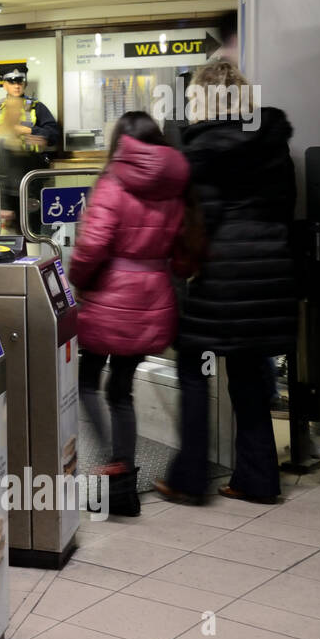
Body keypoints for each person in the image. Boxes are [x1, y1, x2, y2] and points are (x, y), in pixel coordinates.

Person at [157, 59, 296, 506]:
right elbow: (285, 210)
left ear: (202, 99)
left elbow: (199, 222)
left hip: (220, 272)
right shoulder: (275, 147)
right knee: (250, 374)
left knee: (193, 366)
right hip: (270, 272)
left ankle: (189, 478)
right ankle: (258, 480)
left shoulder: (200, 153)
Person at [67, 112, 191, 513]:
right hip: (152, 299)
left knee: (85, 384)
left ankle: (112, 467)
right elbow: (184, 251)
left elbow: (92, 245)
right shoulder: (175, 187)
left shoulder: (113, 182)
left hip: (107, 297)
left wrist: (78, 280)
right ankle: (123, 488)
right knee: (121, 390)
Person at [0, 68, 60, 230]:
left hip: (30, 181)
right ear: (4, 85)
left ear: (24, 84)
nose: (16, 86)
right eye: (12, 82)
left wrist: (29, 130)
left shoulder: (37, 107)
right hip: (3, 184)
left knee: (31, 228)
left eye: (20, 82)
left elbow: (54, 134)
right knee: (5, 234)